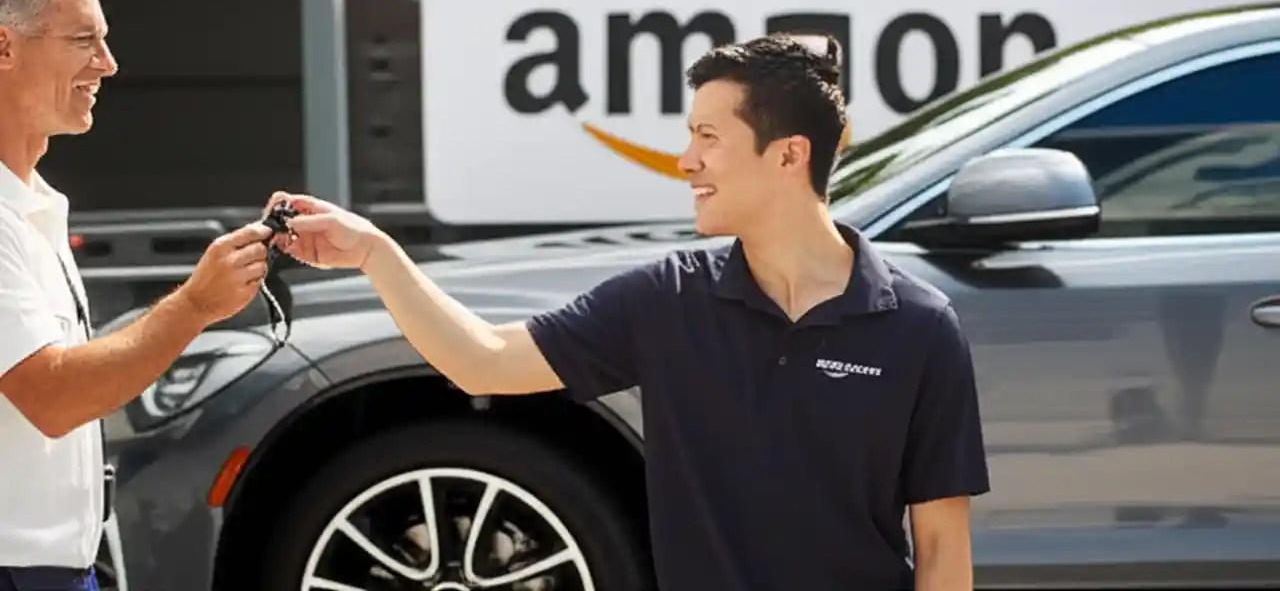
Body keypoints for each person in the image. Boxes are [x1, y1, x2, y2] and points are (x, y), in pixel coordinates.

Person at [267, 34, 991, 590]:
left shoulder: (918, 328)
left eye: (709, 137)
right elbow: (481, 359)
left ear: (788, 155)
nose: (686, 160)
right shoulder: (666, 302)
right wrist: (376, 257)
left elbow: (941, 551)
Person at [0, 0, 273, 591]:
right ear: (4, 49)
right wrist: (197, 305)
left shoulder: (29, 202)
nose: (108, 64)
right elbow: (54, 395)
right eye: (83, 41)